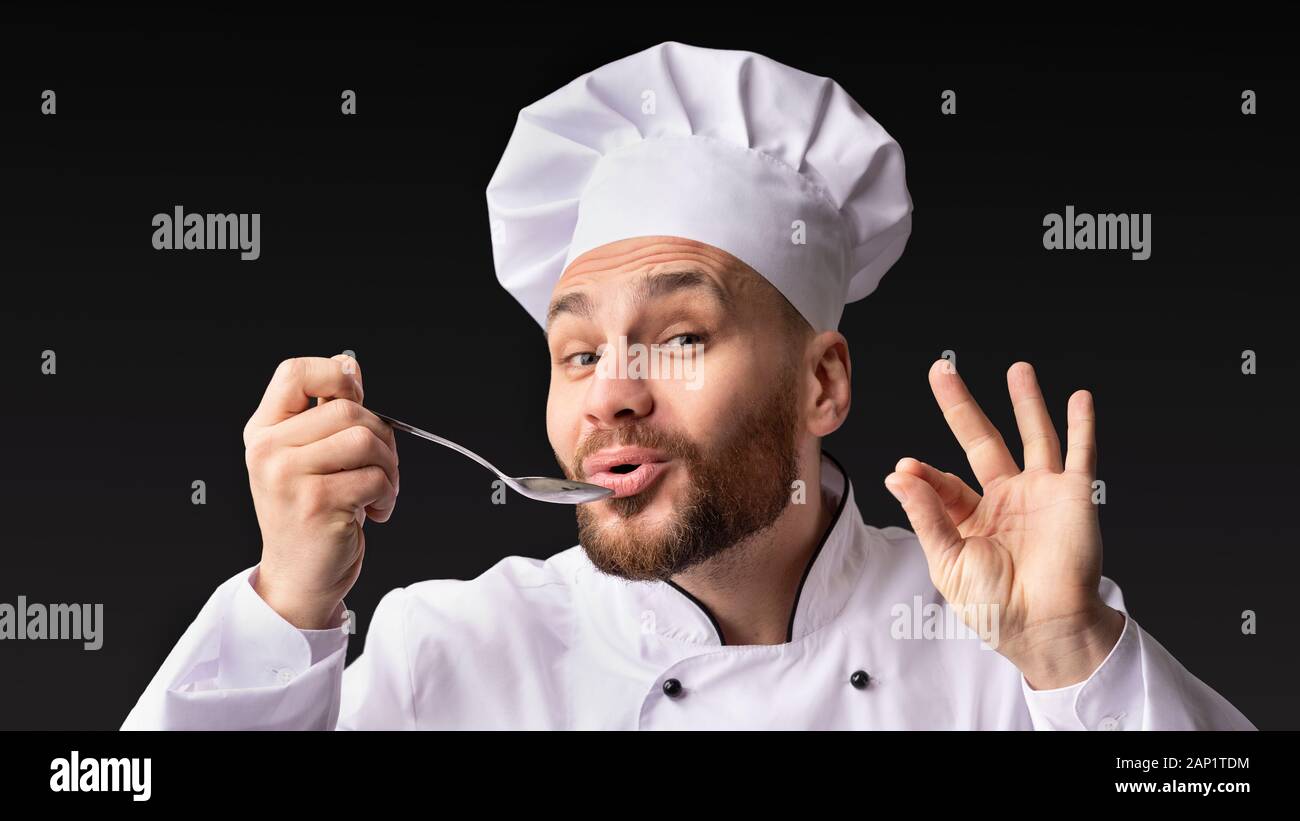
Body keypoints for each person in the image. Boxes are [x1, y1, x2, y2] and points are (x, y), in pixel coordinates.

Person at [122, 41, 1254, 730]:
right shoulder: (447, 652)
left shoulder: (999, 637)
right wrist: (284, 607)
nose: (610, 392)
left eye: (677, 336)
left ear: (821, 383)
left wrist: (1071, 651)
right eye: (576, 352)